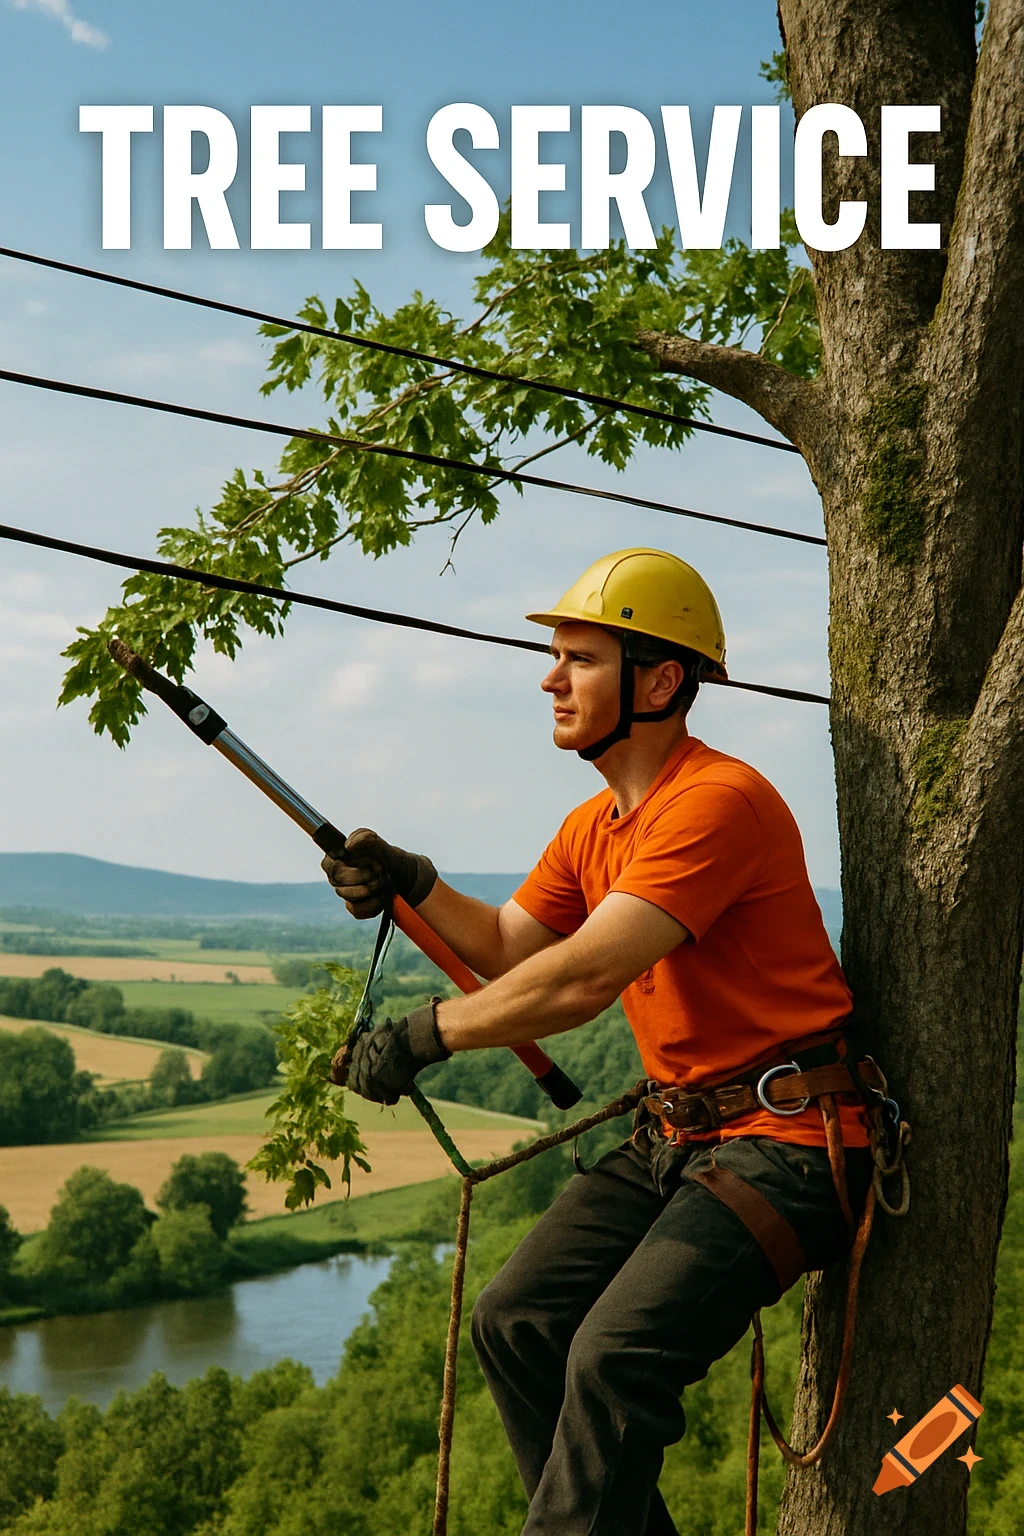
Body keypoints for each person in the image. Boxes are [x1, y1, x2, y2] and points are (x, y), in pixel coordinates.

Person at [322, 548, 876, 1536]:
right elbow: (506, 947)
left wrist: (427, 1034)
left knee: (613, 1358)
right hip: (682, 1139)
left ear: (660, 681)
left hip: (788, 1146)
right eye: (557, 656)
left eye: (577, 657)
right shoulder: (596, 825)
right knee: (517, 1322)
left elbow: (579, 978)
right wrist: (411, 879)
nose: (549, 677)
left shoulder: (716, 802)